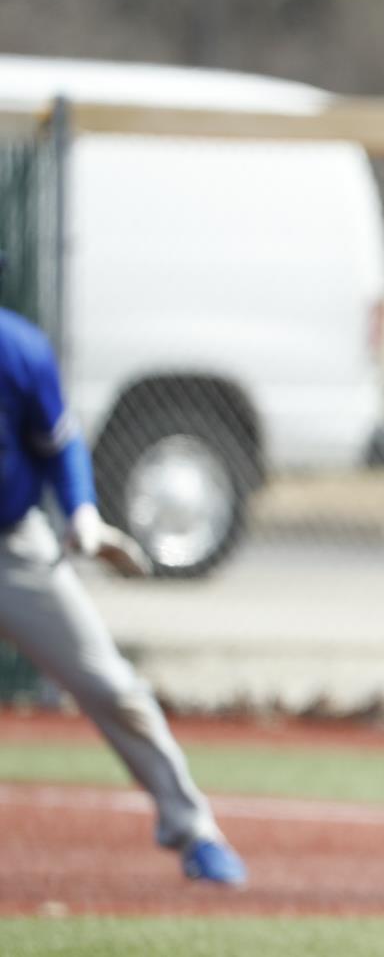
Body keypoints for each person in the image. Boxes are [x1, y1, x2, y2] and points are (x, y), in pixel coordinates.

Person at [0, 306, 246, 887]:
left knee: (112, 687)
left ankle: (195, 830)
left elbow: (61, 443)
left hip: (15, 548)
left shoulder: (17, 349)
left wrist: (82, 512)